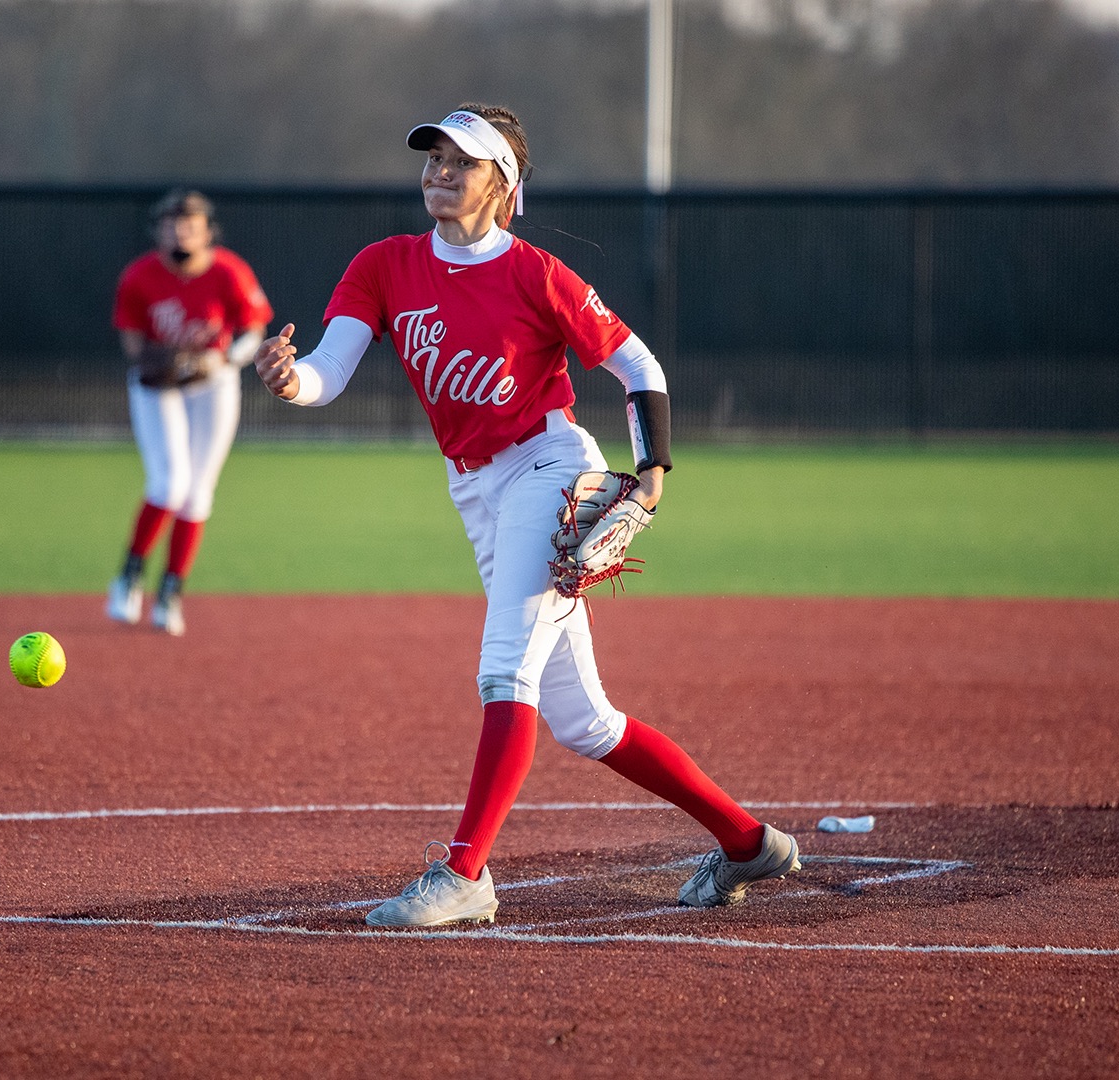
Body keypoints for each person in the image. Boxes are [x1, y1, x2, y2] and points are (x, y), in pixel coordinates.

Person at [253, 105, 800, 927]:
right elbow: (330, 369)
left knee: (504, 665)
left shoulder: (534, 273)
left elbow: (637, 363)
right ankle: (748, 841)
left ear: (502, 185)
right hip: (476, 488)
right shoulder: (386, 265)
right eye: (433, 156)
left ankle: (466, 872)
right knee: (585, 722)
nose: (440, 169)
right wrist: (290, 381)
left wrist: (651, 473)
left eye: (462, 161)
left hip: (548, 468)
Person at [108, 189, 272, 636]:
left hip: (213, 383)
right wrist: (160, 363)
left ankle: (170, 593)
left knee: (198, 492)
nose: (180, 232)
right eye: (172, 225)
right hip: (158, 388)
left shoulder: (228, 271)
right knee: (169, 482)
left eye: (190, 225)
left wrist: (223, 360)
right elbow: (133, 344)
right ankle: (129, 577)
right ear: (158, 232)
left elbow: (253, 329)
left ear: (207, 232)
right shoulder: (140, 276)